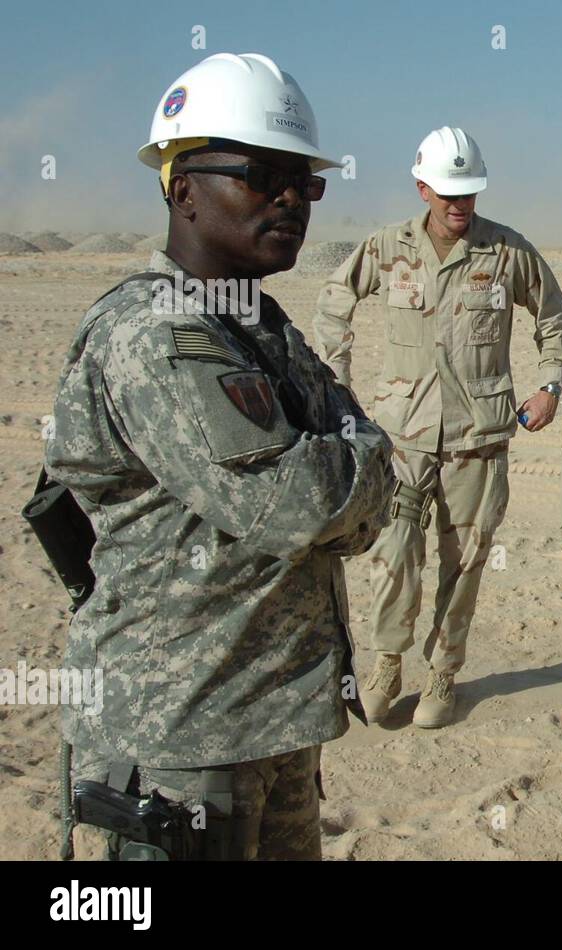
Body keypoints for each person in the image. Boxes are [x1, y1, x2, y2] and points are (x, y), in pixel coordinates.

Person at [46, 52, 395, 860]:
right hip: (178, 742)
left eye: (305, 182)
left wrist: (353, 469)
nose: (290, 199)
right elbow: (302, 503)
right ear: (181, 189)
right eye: (261, 174)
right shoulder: (156, 334)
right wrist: (353, 466)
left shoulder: (259, 325)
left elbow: (372, 481)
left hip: (270, 719)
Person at [314, 127, 562, 729]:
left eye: (470, 193)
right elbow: (335, 301)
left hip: (478, 438)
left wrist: (550, 385)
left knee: (465, 560)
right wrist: (340, 385)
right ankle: (387, 662)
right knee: (394, 552)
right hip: (402, 436)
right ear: (423, 187)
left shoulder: (507, 253)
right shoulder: (388, 247)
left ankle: (443, 672)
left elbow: (555, 321)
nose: (460, 206)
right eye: (448, 194)